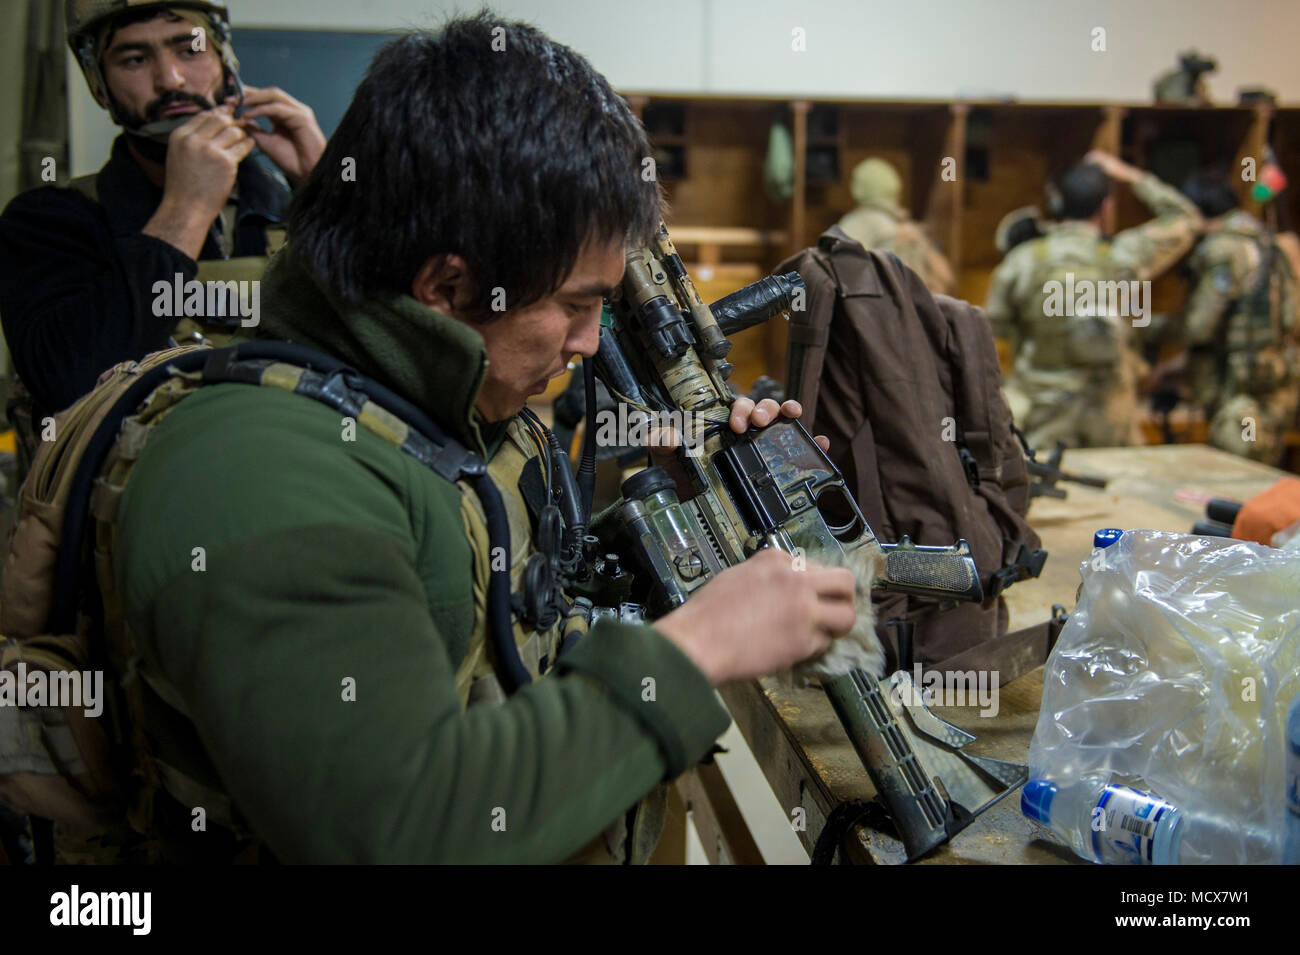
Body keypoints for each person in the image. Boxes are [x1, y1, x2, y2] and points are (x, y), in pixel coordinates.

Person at [67, 14, 856, 864]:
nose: (591, 342)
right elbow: (402, 828)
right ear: (447, 284)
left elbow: (498, 584)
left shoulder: (437, 389)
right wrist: (700, 647)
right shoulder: (261, 478)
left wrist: (687, 494)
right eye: (577, 306)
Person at [0, 1, 324, 474]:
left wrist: (329, 197)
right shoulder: (49, 220)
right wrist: (185, 210)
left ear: (226, 62)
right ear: (99, 87)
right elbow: (70, 383)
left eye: (190, 48)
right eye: (133, 59)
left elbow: (404, 349)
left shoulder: (296, 207)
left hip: (299, 490)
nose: (170, 79)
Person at [985, 151, 1201, 449]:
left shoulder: (1022, 260)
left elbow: (993, 330)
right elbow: (1187, 219)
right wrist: (1128, 174)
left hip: (1043, 413)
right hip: (1111, 416)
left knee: (1041, 487)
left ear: (1055, 202)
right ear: (1107, 208)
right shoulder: (1125, 254)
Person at [1176, 171, 1299, 464]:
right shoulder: (1271, 242)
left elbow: (1199, 326)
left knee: (1234, 477)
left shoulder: (1224, 248)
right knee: (1261, 474)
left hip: (1240, 392)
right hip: (1279, 384)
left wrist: (1155, 331)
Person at [836, 157, 955, 294]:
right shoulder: (909, 227)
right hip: (911, 310)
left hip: (873, 310)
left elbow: (841, 276)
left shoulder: (857, 223)